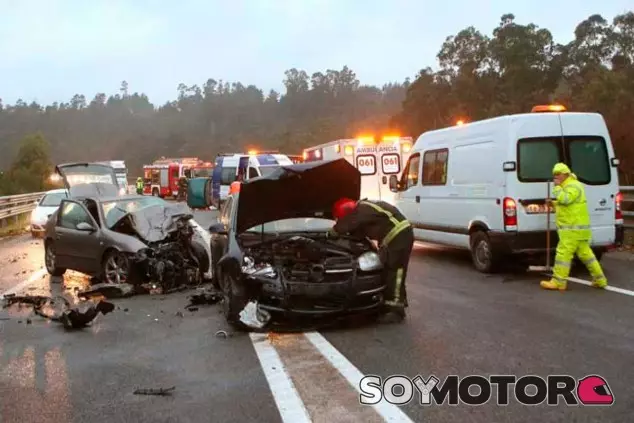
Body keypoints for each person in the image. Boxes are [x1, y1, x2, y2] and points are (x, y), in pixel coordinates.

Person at [328, 198, 414, 323]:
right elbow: (356, 232)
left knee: (395, 273)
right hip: (397, 237)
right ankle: (391, 303)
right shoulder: (365, 210)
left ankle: (396, 311)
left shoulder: (363, 208)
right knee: (389, 271)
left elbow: (348, 223)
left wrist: (332, 232)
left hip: (399, 237)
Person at [540, 163, 608, 291]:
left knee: (563, 255)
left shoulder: (572, 185)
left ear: (566, 174)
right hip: (577, 229)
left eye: (558, 174)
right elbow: (567, 205)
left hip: (571, 229)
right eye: (554, 175)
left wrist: (557, 189)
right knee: (587, 256)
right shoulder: (570, 185)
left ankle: (558, 281)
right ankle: (600, 279)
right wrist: (554, 204)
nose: (556, 177)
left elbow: (566, 199)